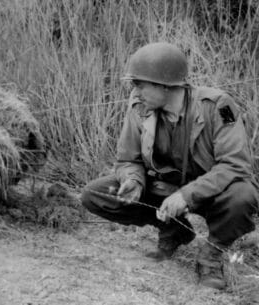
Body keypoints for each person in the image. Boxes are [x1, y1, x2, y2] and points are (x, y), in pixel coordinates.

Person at [81, 42, 258, 290]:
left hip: (211, 192)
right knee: (95, 193)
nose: (136, 91)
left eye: (140, 84)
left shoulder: (220, 106)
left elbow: (236, 165)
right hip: (163, 188)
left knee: (243, 195)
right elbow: (127, 160)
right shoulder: (139, 106)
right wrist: (133, 181)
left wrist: (186, 195)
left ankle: (211, 256)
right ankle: (174, 229)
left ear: (165, 85)